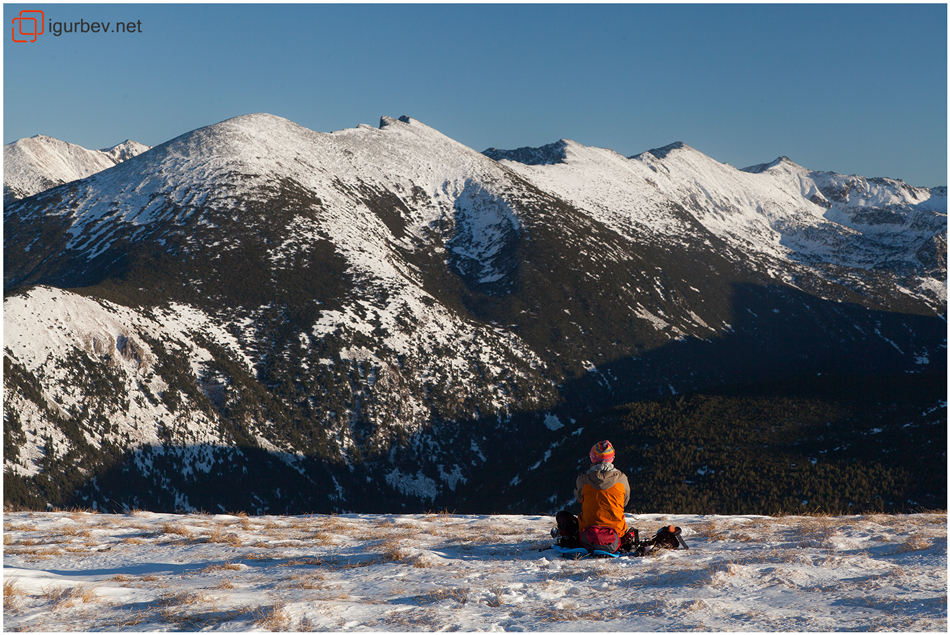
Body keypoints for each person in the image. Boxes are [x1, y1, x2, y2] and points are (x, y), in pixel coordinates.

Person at [554, 440, 633, 553]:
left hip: (587, 533)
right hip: (617, 534)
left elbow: (579, 499)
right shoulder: (622, 479)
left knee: (562, 516)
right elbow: (625, 502)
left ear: (592, 458)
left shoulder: (583, 479)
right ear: (612, 458)